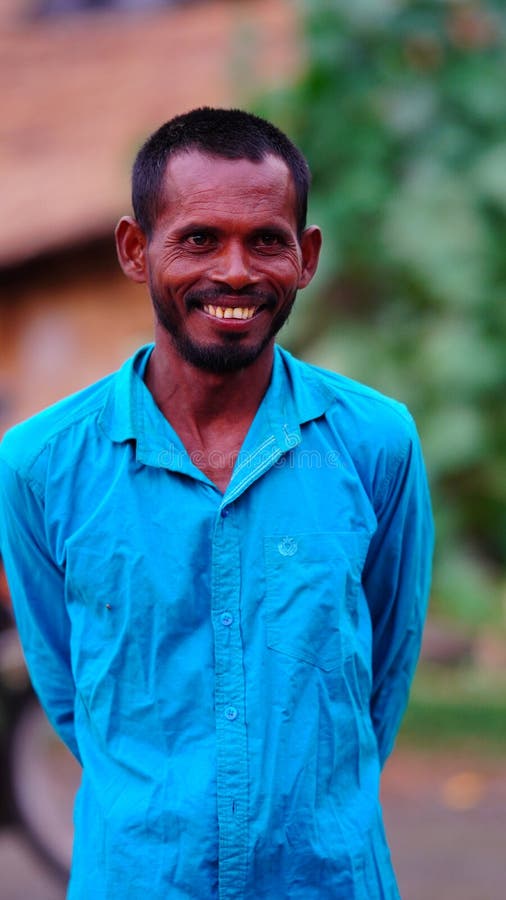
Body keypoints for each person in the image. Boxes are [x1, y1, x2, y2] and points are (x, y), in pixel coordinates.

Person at [0, 107, 433, 899]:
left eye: (266, 240)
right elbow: (67, 689)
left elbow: (382, 673)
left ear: (304, 258)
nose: (235, 271)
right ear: (137, 250)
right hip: (135, 879)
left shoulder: (376, 443)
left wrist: (306, 805)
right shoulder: (40, 465)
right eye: (198, 238)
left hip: (327, 879)